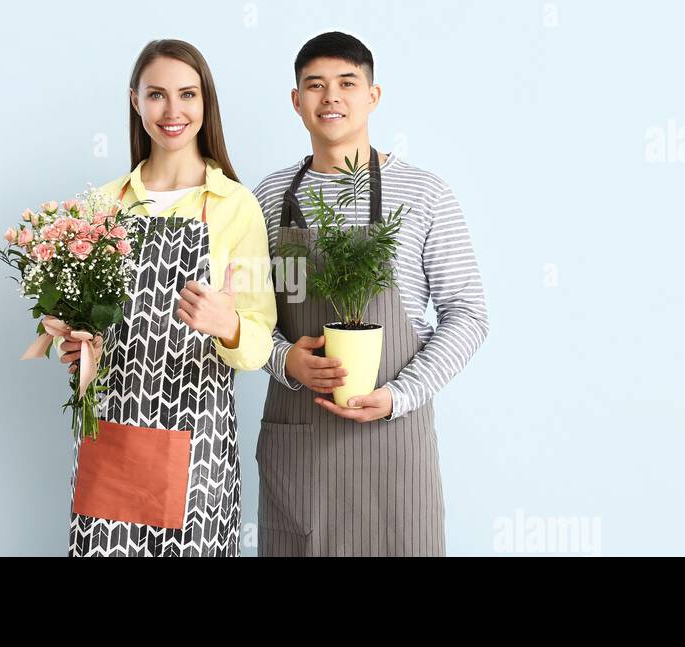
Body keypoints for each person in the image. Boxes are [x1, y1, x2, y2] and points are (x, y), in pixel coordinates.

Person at [252, 32, 489, 556]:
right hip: (301, 450)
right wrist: (286, 360)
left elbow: (468, 314)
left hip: (395, 448)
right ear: (297, 101)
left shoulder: (425, 192)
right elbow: (249, 319)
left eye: (346, 84)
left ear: (373, 96)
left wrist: (398, 396)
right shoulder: (268, 198)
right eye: (315, 85)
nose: (330, 97)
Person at [44, 39, 275, 557]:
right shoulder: (105, 204)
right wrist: (78, 349)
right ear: (135, 102)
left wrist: (228, 325)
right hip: (113, 438)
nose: (173, 112)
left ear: (205, 102)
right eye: (157, 95)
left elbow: (259, 342)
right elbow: (85, 325)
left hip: (199, 452)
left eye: (187, 95)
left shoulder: (237, 207)